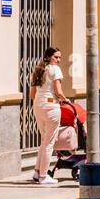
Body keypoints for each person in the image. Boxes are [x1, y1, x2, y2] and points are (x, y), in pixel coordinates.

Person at [29, 47, 72, 186]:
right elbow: (58, 91)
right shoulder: (55, 70)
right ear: (49, 57)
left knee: (44, 140)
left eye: (59, 57)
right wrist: (65, 100)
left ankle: (37, 171)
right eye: (56, 57)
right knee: (49, 143)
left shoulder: (38, 70)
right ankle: (43, 176)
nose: (58, 60)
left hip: (38, 106)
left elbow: (32, 94)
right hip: (51, 107)